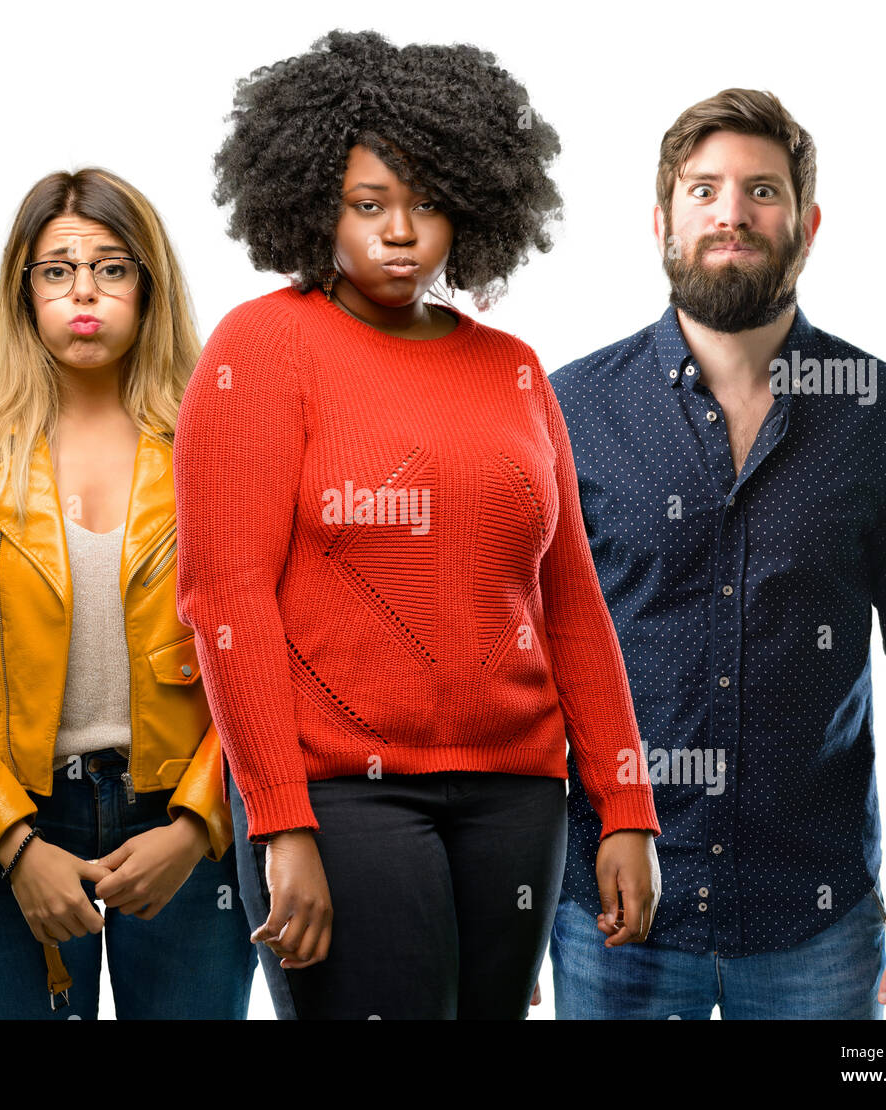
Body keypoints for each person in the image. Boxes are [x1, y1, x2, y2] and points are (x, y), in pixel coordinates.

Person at [172, 29, 660, 1020]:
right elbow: (226, 602)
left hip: (519, 798)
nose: (400, 233)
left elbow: (571, 607)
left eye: (427, 204)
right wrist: (279, 822)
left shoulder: (514, 368)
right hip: (343, 795)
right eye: (368, 205)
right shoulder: (262, 348)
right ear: (315, 204)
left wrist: (626, 808)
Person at [548, 89, 886, 1020]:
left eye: (761, 191)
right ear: (661, 221)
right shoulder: (570, 412)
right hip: (614, 915)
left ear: (806, 224)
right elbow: (518, 664)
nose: (731, 213)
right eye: (703, 190)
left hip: (816, 927)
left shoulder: (881, 413)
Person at [0, 167, 256, 1018]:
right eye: (57, 270)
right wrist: (16, 847)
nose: (84, 290)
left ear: (147, 286)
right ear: (25, 292)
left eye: (112, 267)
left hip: (185, 837)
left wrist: (197, 827)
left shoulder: (219, 444)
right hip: (7, 836)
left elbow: (263, 659)